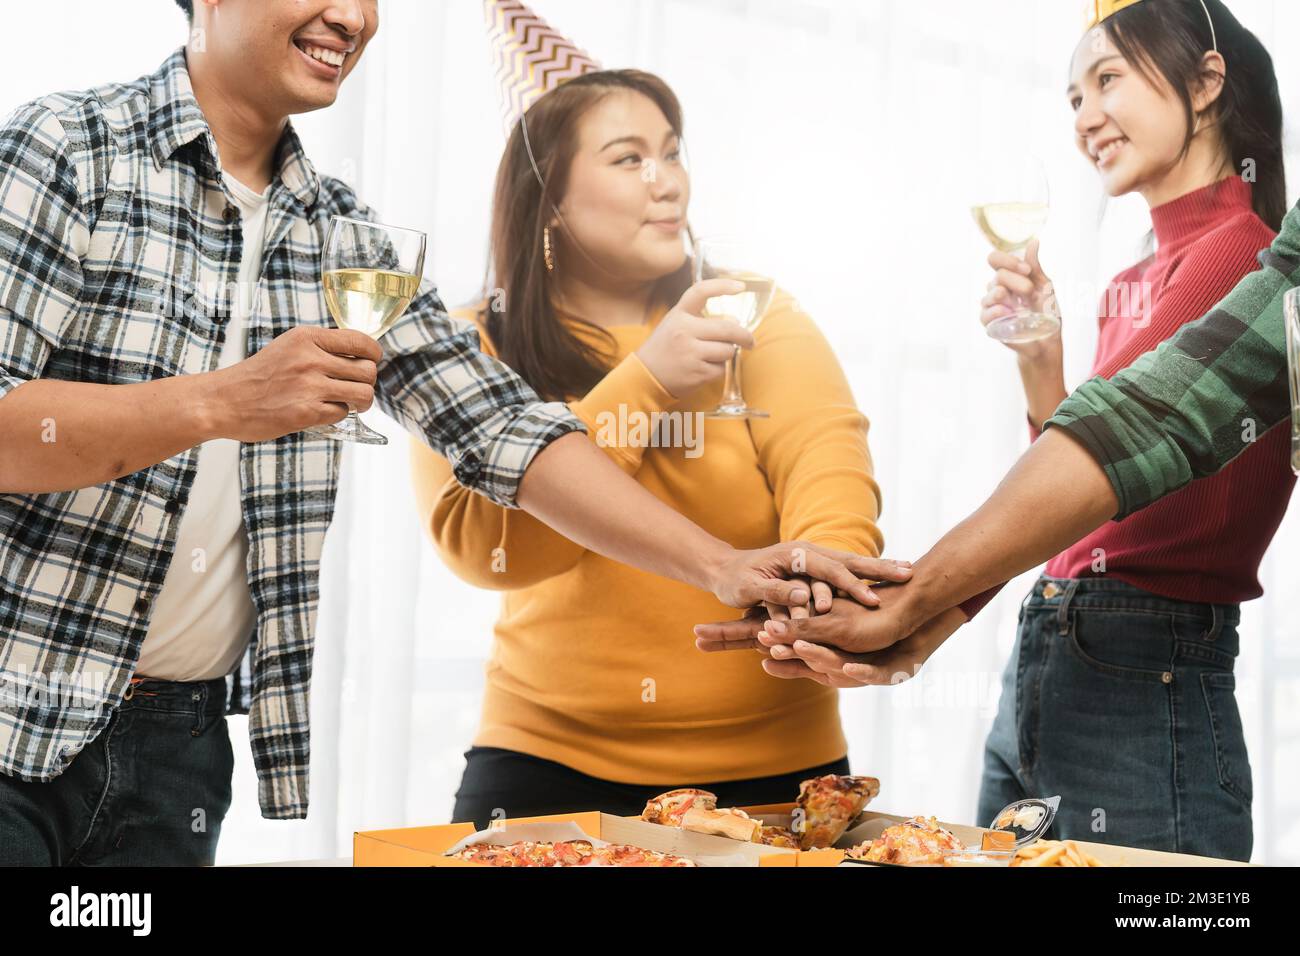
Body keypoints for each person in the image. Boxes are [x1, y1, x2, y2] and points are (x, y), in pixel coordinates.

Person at [0, 0, 902, 866]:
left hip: (177, 746)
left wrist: (723, 566)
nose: (352, 16)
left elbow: (503, 434)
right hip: (15, 716)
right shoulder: (68, 152)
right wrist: (218, 403)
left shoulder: (345, 232)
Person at [696, 0, 1290, 861]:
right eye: (1072, 98)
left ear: (1206, 82)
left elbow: (1112, 484)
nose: (1086, 116)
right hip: (1059, 643)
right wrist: (1040, 359)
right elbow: (1090, 486)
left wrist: (925, 603)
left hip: (1140, 658)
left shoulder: (1237, 252)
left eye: (1107, 79)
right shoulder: (1139, 271)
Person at [410, 65, 885, 824]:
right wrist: (647, 378)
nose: (668, 182)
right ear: (550, 202)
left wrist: (814, 595)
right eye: (629, 158)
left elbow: (831, 476)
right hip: (544, 763)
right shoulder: (472, 344)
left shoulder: (754, 314)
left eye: (672, 153)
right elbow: (489, 549)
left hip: (779, 770)